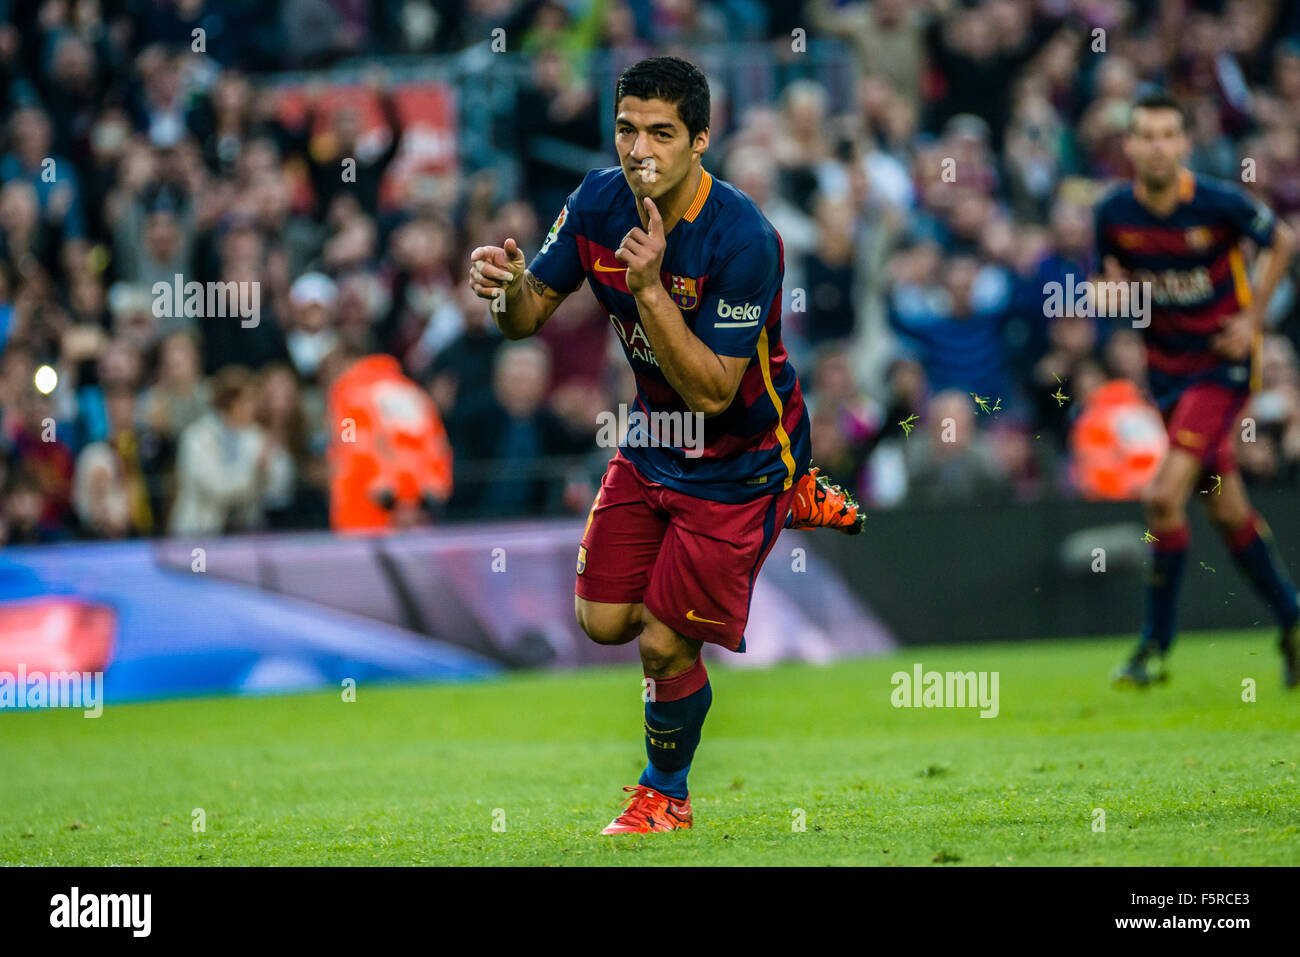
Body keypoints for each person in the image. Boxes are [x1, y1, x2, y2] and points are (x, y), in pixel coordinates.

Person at [468, 56, 862, 835]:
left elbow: (714, 390)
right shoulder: (595, 202)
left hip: (744, 457)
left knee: (661, 641)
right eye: (626, 128)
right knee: (603, 620)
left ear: (701, 139)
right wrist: (506, 290)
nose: (638, 148)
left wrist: (648, 289)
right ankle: (799, 492)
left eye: (660, 132)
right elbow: (525, 320)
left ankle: (664, 796)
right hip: (653, 441)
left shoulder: (745, 237)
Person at [1094, 92, 1299, 688]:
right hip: (1167, 375)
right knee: (1226, 506)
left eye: (1167, 135)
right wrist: (1107, 294)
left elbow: (1282, 239)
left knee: (1162, 498)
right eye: (1145, 135)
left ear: (1184, 144)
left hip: (1222, 367)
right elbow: (1110, 278)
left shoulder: (1218, 202)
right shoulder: (1112, 213)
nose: (1157, 146)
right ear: (1129, 145)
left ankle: (1155, 646)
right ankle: (1292, 619)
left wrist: (1253, 320)